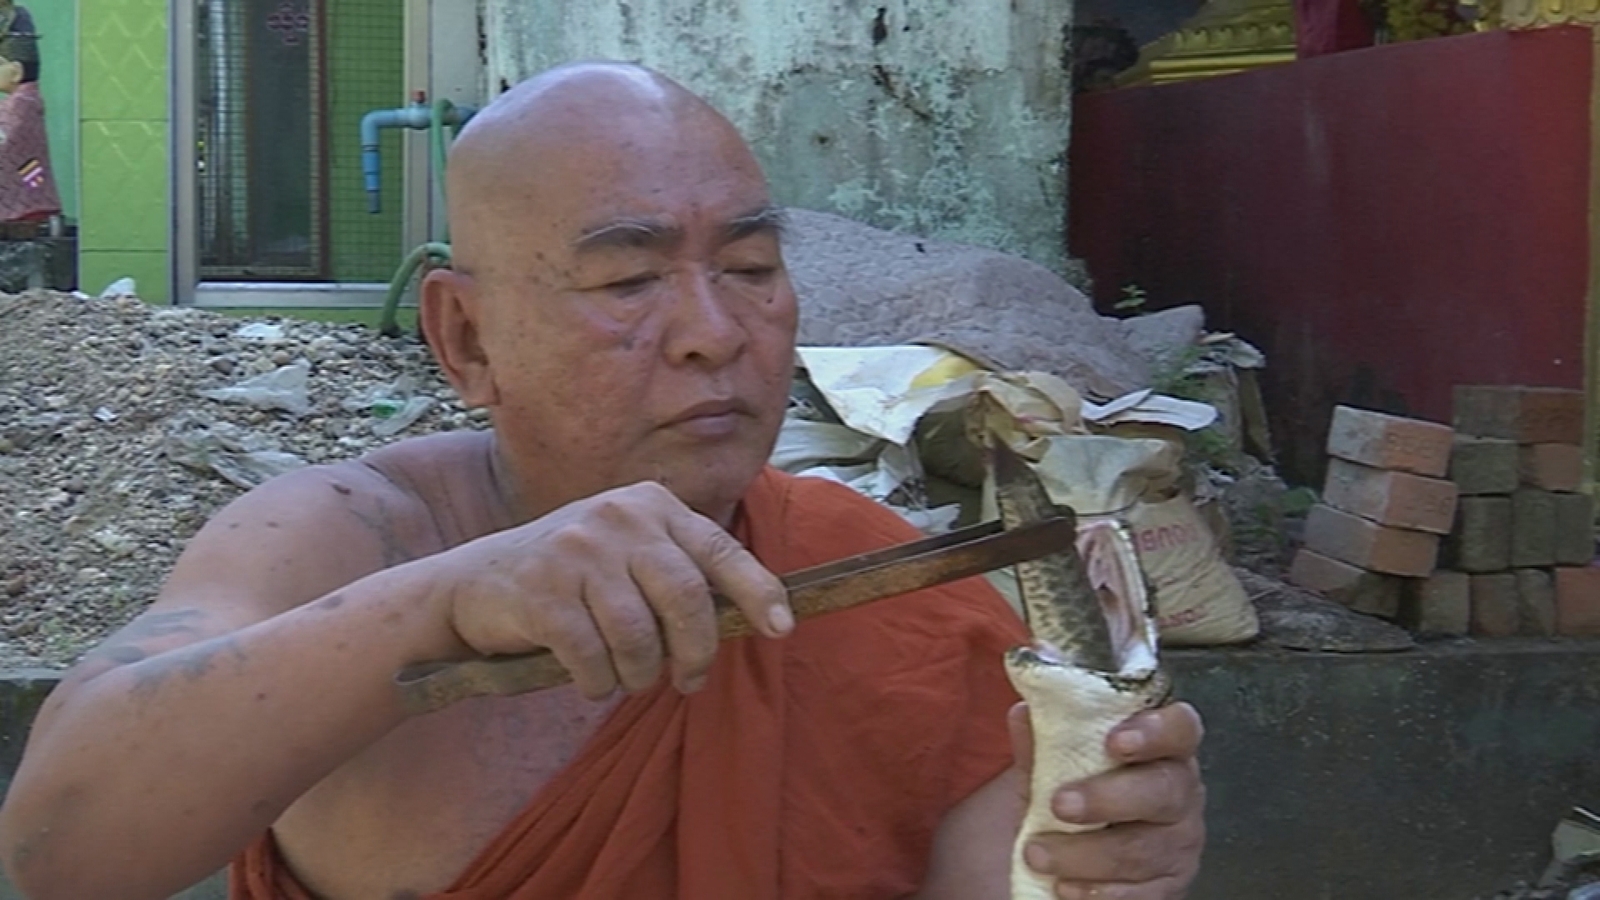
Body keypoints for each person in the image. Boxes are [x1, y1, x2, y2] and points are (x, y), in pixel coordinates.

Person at [0, 63, 1206, 900]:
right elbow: (58, 850)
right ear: (465, 338)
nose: (713, 333)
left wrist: (1104, 858)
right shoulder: (349, 540)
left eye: (750, 267)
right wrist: (445, 603)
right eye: (629, 283)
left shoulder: (883, 587)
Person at [0, 3, 59, 224]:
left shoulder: (20, 104)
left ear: (16, 71)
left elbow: (6, 139)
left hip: (23, 187)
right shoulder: (26, 100)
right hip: (28, 180)